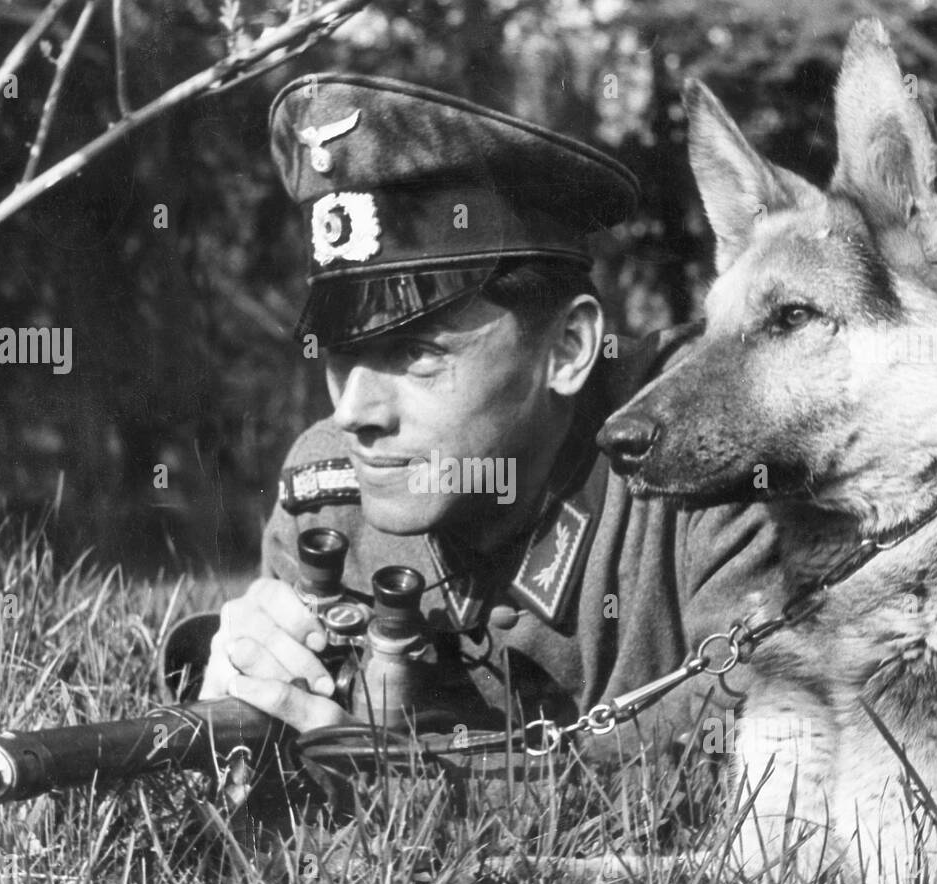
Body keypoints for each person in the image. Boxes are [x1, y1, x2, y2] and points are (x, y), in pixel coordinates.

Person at [175, 72, 783, 775]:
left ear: (567, 349)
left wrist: (407, 790)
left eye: (418, 354)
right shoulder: (329, 494)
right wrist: (236, 682)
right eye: (343, 358)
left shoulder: (709, 457)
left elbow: (746, 775)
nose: (354, 412)